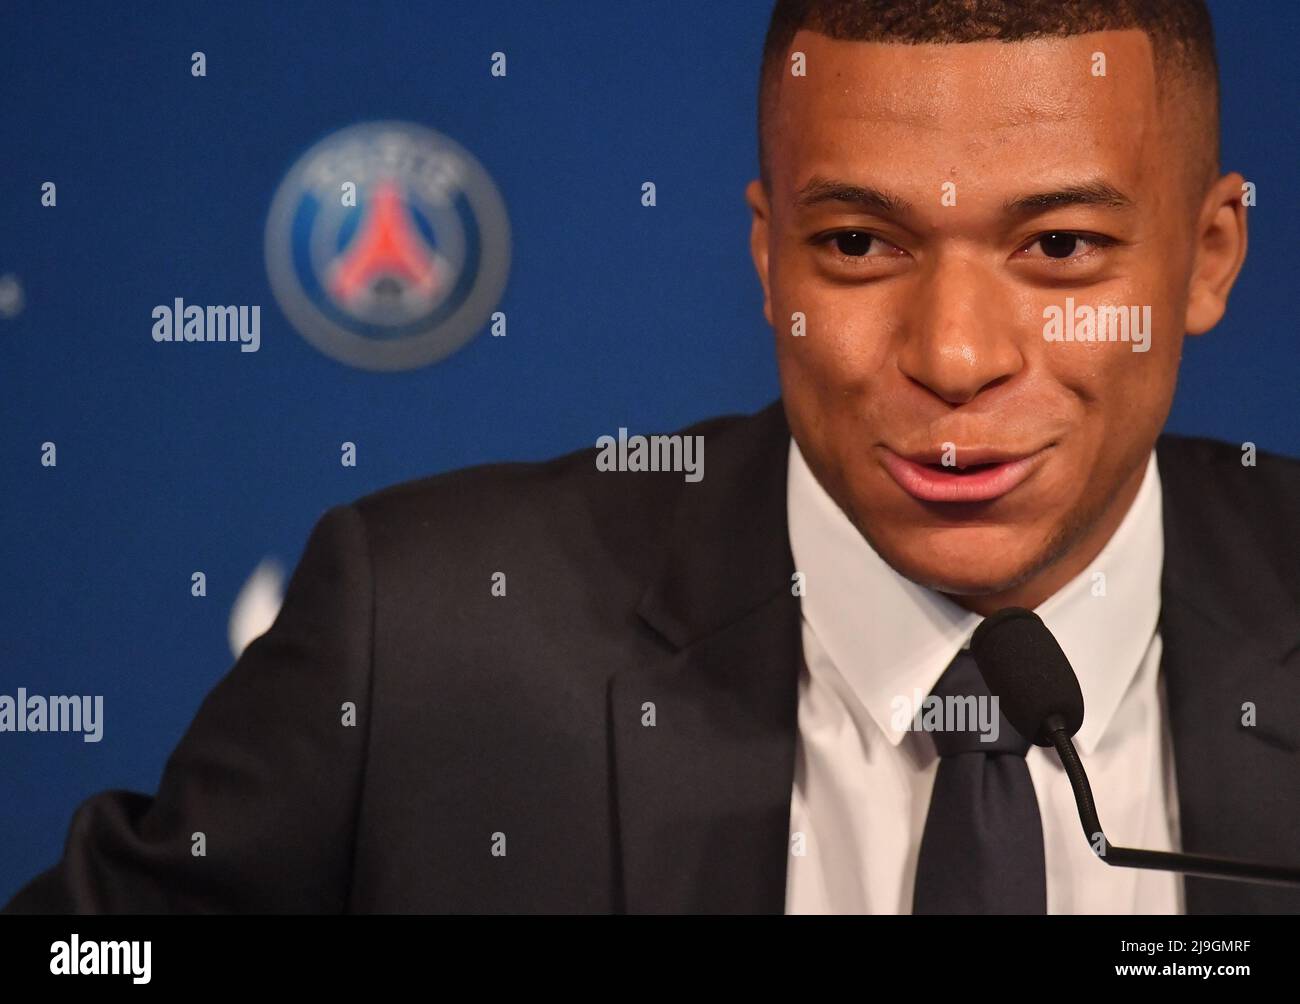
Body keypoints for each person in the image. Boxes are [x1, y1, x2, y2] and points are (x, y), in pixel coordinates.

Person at [6, 0, 1297, 915]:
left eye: (1059, 249)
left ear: (1211, 255)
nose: (955, 357)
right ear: (765, 251)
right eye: (857, 245)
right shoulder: (420, 644)